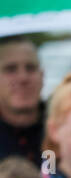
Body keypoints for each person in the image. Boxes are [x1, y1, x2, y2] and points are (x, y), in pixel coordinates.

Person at [0, 36, 44, 166]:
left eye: (30, 68)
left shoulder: (65, 127)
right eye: (11, 69)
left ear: (42, 75)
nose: (23, 78)